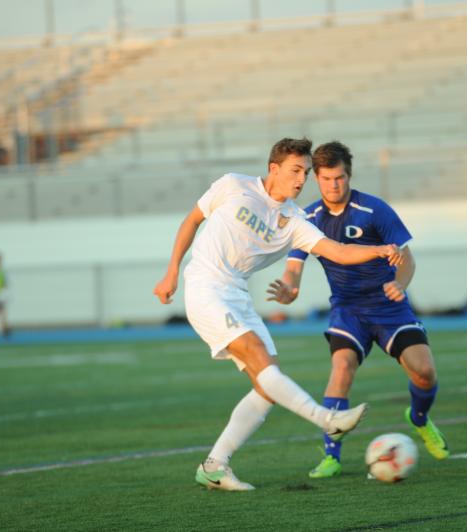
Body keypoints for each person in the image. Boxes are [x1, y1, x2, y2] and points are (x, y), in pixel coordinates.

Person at [153, 138, 402, 491]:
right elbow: (192, 221)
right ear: (274, 169)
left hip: (237, 295)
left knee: (267, 385)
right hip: (205, 286)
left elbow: (338, 251)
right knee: (259, 358)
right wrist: (172, 272)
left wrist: (379, 249)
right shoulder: (233, 184)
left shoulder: (295, 221)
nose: (302, 180)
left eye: (306, 173)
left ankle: (214, 465)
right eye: (296, 171)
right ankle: (326, 418)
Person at [268, 141, 448, 479]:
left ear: (348, 176)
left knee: (424, 372)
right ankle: (331, 455)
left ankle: (419, 419)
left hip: (388, 307)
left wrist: (400, 283)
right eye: (325, 179)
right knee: (342, 366)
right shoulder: (306, 217)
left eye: (339, 178)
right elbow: (294, 267)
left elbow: (406, 260)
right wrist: (290, 288)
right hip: (347, 309)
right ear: (316, 179)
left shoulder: (374, 210)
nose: (333, 185)